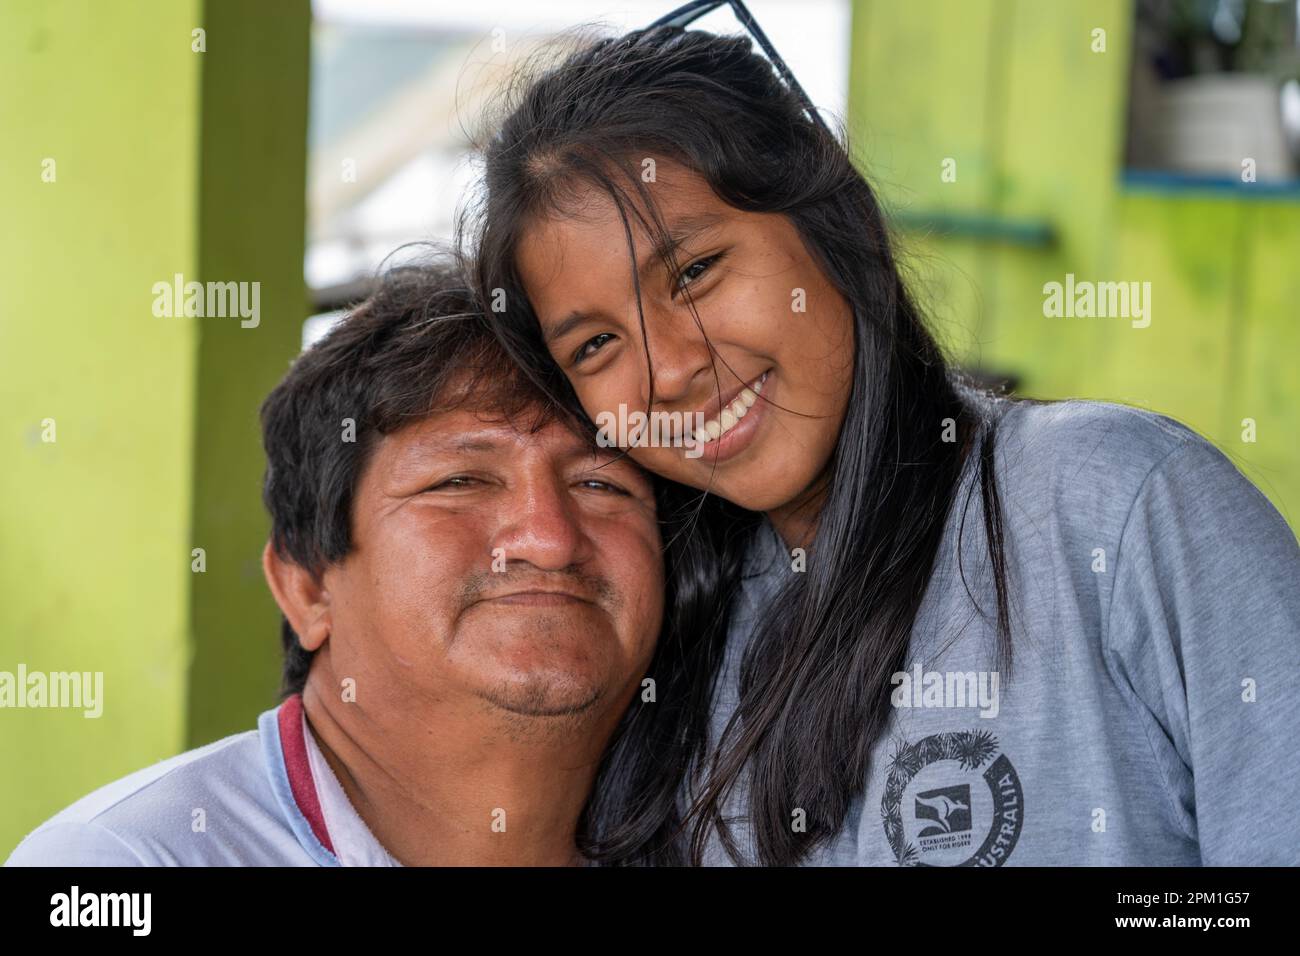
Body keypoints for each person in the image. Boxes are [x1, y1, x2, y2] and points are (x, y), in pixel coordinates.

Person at [465, 23, 1300, 865]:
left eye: (694, 272)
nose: (672, 370)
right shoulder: (674, 629)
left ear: (840, 221)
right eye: (596, 347)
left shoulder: (1115, 509)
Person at [5, 260, 705, 866]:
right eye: (460, 481)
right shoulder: (131, 861)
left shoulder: (738, 837)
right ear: (306, 585)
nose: (550, 539)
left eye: (601, 485)